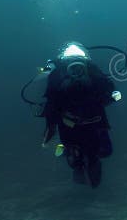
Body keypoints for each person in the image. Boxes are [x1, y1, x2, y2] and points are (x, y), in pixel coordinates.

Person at [40, 42, 122, 188]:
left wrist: (49, 130)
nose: (75, 70)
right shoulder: (87, 71)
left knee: (89, 151)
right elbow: (108, 91)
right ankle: (81, 163)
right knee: (92, 151)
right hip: (88, 122)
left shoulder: (60, 74)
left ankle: (80, 163)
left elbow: (50, 105)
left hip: (77, 124)